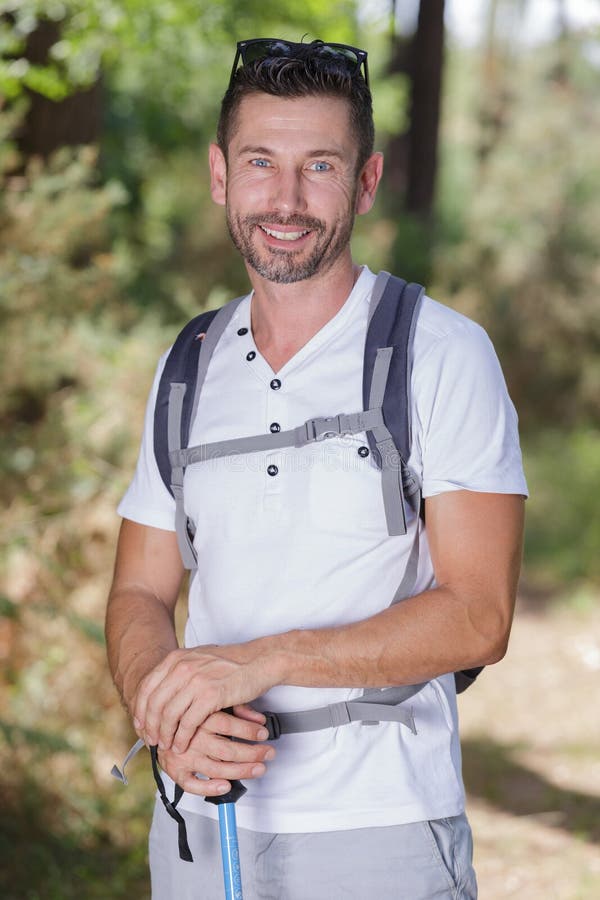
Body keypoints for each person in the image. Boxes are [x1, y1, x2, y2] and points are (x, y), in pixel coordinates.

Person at [106, 38, 527, 899]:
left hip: (380, 831)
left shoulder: (442, 353)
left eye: (320, 166)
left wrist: (255, 663)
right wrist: (162, 700)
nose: (286, 200)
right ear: (221, 174)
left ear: (366, 181)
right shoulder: (187, 363)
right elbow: (139, 592)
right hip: (197, 825)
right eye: (261, 162)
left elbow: (480, 616)